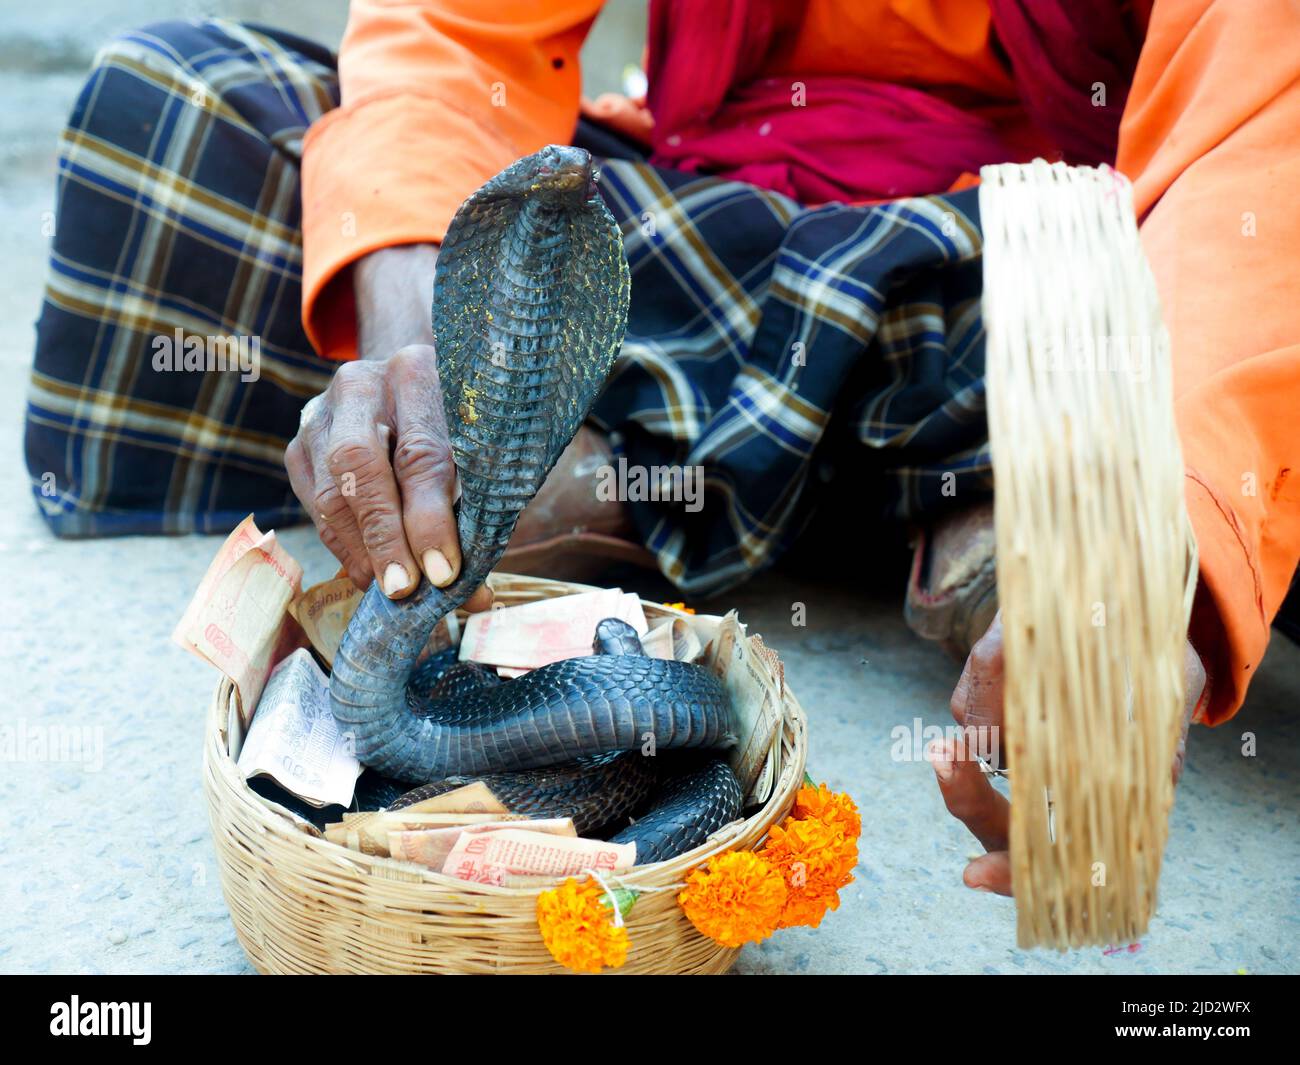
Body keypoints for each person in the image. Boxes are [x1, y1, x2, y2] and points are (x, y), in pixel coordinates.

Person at [24, 1, 1299, 898]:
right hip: (706, 221)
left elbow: (1258, 143)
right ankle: (968, 495)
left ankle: (663, 488)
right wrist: (425, 366)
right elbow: (452, 44)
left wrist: (1154, 552)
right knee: (182, 103)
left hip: (1055, 263)